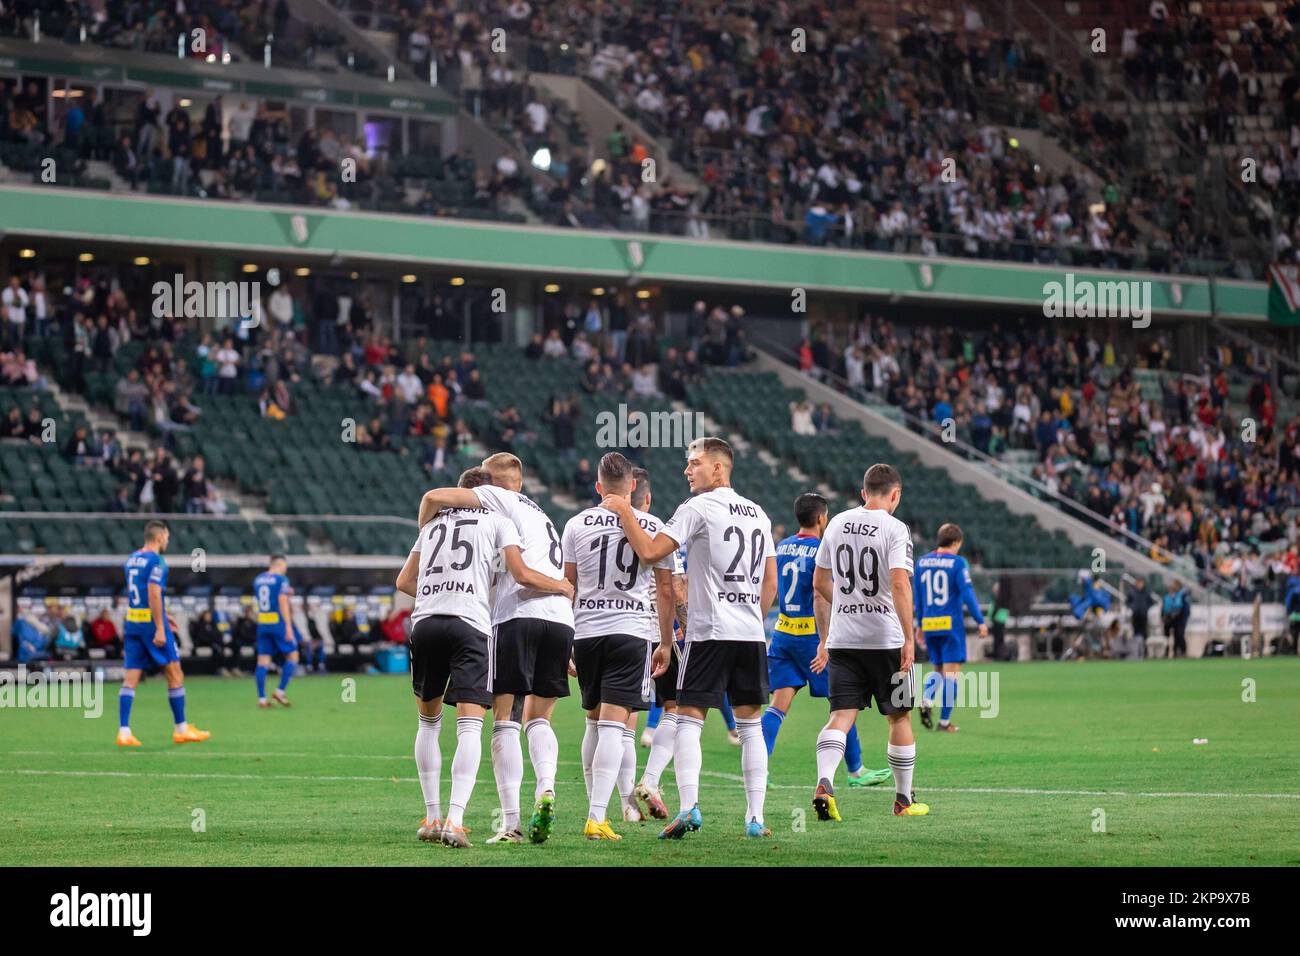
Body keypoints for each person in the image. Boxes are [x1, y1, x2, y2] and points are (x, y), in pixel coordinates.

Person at [602, 436, 778, 840]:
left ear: (718, 468)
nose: (687, 470)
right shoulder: (758, 513)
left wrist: (625, 510)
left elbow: (650, 553)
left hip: (709, 633)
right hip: (750, 634)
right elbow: (770, 581)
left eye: (694, 463)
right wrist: (750, 617)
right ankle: (755, 818)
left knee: (687, 720)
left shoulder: (697, 507)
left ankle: (688, 808)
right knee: (751, 726)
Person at [397, 466, 574, 848]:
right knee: (472, 727)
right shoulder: (499, 520)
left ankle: (432, 817)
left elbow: (404, 581)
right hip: (473, 624)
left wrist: (437, 592)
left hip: (426, 622)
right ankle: (455, 821)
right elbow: (519, 571)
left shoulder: (432, 526)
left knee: (428, 722)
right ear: (486, 493)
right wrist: (561, 587)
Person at [561, 452, 676, 840]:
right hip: (630, 631)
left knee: (593, 721)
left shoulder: (575, 524)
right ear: (632, 485)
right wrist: (665, 641)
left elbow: (568, 587)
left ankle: (598, 809)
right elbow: (665, 590)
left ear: (598, 486)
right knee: (614, 725)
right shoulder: (653, 526)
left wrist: (567, 640)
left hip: (587, 633)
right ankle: (597, 817)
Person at [810, 463, 929, 820]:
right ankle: (903, 801)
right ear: (896, 495)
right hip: (885, 639)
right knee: (899, 717)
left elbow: (819, 581)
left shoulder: (836, 523)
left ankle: (825, 782)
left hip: (844, 639)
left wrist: (846, 605)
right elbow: (900, 583)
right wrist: (908, 637)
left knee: (840, 716)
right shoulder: (895, 528)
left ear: (863, 493)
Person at [763, 493, 889, 785]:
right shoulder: (822, 548)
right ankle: (856, 770)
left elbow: (773, 585)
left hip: (783, 633)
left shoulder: (782, 546)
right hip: (812, 637)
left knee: (778, 705)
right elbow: (820, 595)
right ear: (821, 518)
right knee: (844, 703)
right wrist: (824, 640)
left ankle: (758, 769)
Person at [117, 520, 211, 747]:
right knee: (175, 672)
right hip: (150, 625)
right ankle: (181, 729)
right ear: (159, 537)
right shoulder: (157, 561)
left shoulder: (132, 559)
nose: (168, 541)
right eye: (167, 537)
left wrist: (164, 614)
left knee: (131, 676)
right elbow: (153, 593)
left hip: (133, 622)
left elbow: (139, 594)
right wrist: (160, 626)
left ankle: (124, 731)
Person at [915, 523, 988, 732]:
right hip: (950, 625)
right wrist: (980, 620)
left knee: (938, 669)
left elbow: (918, 597)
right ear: (956, 542)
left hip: (929, 624)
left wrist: (920, 625)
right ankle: (944, 722)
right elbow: (967, 594)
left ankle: (927, 698)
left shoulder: (922, 562)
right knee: (952, 674)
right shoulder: (957, 563)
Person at [253, 555, 299, 707]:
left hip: (263, 622)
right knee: (293, 656)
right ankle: (280, 691)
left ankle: (262, 698)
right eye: (285, 566)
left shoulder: (258, 579)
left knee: (263, 661)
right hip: (278, 623)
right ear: (279, 564)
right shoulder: (281, 580)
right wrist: (288, 626)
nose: (285, 570)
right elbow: (282, 601)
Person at [1161, 580, 1191, 658]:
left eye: (1174, 585)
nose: (1173, 587)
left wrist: (1183, 617)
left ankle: (1183, 651)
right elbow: (1164, 608)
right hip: (1170, 619)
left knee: (1179, 635)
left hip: (1180, 618)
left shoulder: (1182, 595)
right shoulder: (1168, 596)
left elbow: (1184, 608)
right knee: (1170, 636)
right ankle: (1171, 652)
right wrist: (1163, 616)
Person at [1127, 576, 1154, 651]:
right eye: (1139, 583)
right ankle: (1136, 650)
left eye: (1141, 583)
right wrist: (1133, 608)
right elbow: (1128, 602)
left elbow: (1151, 602)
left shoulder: (1146, 592)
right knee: (1136, 633)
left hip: (1143, 615)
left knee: (1144, 633)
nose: (1140, 585)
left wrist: (1146, 608)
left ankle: (1144, 650)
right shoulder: (1132, 592)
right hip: (1135, 615)